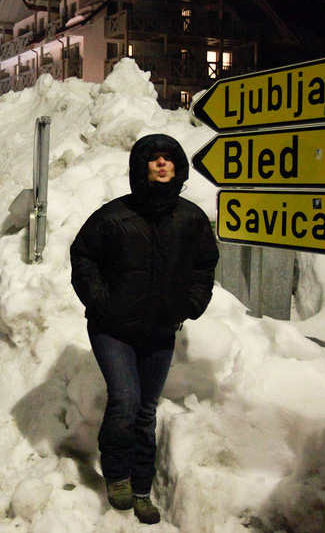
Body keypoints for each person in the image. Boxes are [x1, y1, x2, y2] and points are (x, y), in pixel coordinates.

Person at [70, 133, 219, 524]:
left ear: (178, 166)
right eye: (153, 158)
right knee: (125, 401)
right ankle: (116, 475)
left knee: (145, 411)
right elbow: (82, 257)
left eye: (168, 158)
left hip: (159, 331)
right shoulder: (113, 216)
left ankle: (141, 487)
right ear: (141, 167)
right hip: (112, 330)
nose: (161, 164)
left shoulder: (191, 218)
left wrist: (191, 303)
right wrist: (102, 301)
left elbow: (205, 265)